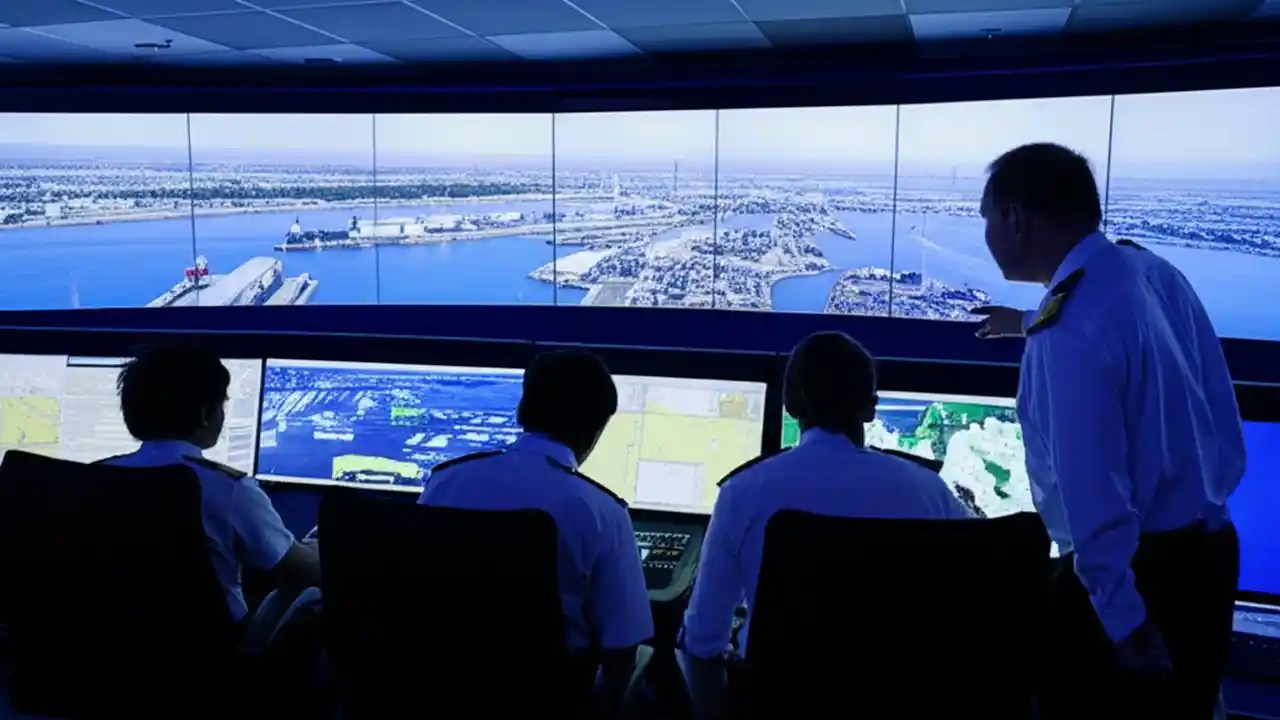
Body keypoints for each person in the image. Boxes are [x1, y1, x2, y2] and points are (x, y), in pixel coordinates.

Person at [972, 143, 1244, 719]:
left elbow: (1092, 498)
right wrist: (1023, 323)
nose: (988, 233)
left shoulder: (1065, 330)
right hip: (1210, 557)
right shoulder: (1150, 272)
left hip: (1135, 584)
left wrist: (1125, 624)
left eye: (987, 217)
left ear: (1016, 219)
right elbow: (1183, 383)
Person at [680, 331, 971, 661]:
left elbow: (702, 639)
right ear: (871, 409)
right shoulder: (930, 491)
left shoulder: (742, 492)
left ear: (790, 404)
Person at [418, 349, 652, 695]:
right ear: (596, 429)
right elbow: (622, 648)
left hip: (435, 688)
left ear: (523, 411)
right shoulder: (602, 512)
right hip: (544, 698)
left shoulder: (444, 483)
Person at [102, 342, 321, 649]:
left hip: (107, 651)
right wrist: (319, 546)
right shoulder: (230, 489)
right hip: (208, 657)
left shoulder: (91, 477)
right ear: (207, 415)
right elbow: (300, 570)